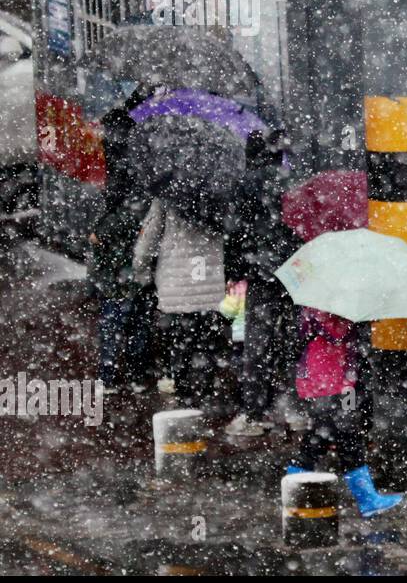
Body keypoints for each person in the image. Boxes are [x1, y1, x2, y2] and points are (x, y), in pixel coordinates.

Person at [285, 307, 404, 518]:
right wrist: (356, 318)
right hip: (326, 383)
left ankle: (293, 490)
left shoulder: (331, 304)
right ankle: (366, 498)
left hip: (344, 383)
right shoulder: (322, 307)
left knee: (329, 434)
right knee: (342, 434)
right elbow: (335, 333)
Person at [223, 130, 303, 436]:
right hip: (293, 273)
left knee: (257, 344)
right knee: (295, 340)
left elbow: (234, 232)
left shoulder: (244, 185)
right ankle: (297, 408)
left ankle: (255, 411)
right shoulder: (288, 183)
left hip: (261, 273)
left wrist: (234, 270)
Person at [89, 84, 156, 392]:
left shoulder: (118, 150)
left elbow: (115, 199)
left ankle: (110, 374)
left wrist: (102, 231)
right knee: (139, 307)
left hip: (120, 237)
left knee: (115, 309)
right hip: (137, 233)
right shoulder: (145, 155)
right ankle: (137, 374)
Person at [132, 196, 229, 406]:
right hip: (210, 287)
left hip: (176, 288)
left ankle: (183, 391)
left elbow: (147, 240)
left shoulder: (167, 195)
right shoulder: (221, 195)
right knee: (206, 343)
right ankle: (205, 390)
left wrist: (141, 273)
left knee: (179, 344)